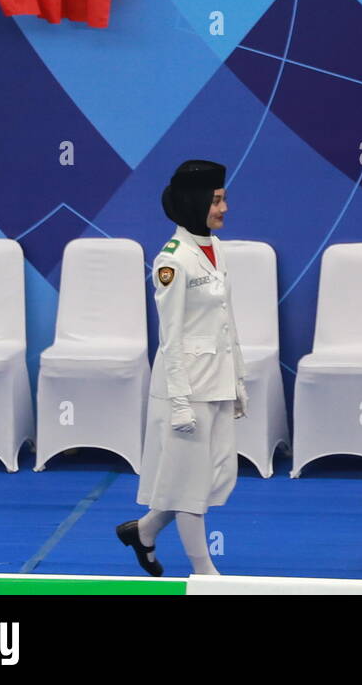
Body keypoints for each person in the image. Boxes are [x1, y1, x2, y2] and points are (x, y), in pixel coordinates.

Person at [118, 160, 248, 576]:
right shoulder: (171, 262)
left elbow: (227, 324)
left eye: (224, 198)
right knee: (191, 487)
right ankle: (205, 572)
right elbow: (169, 339)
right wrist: (178, 403)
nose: (225, 207)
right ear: (194, 202)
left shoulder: (216, 247)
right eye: (216, 200)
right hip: (188, 390)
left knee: (209, 479)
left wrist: (238, 382)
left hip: (217, 384)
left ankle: (144, 531)